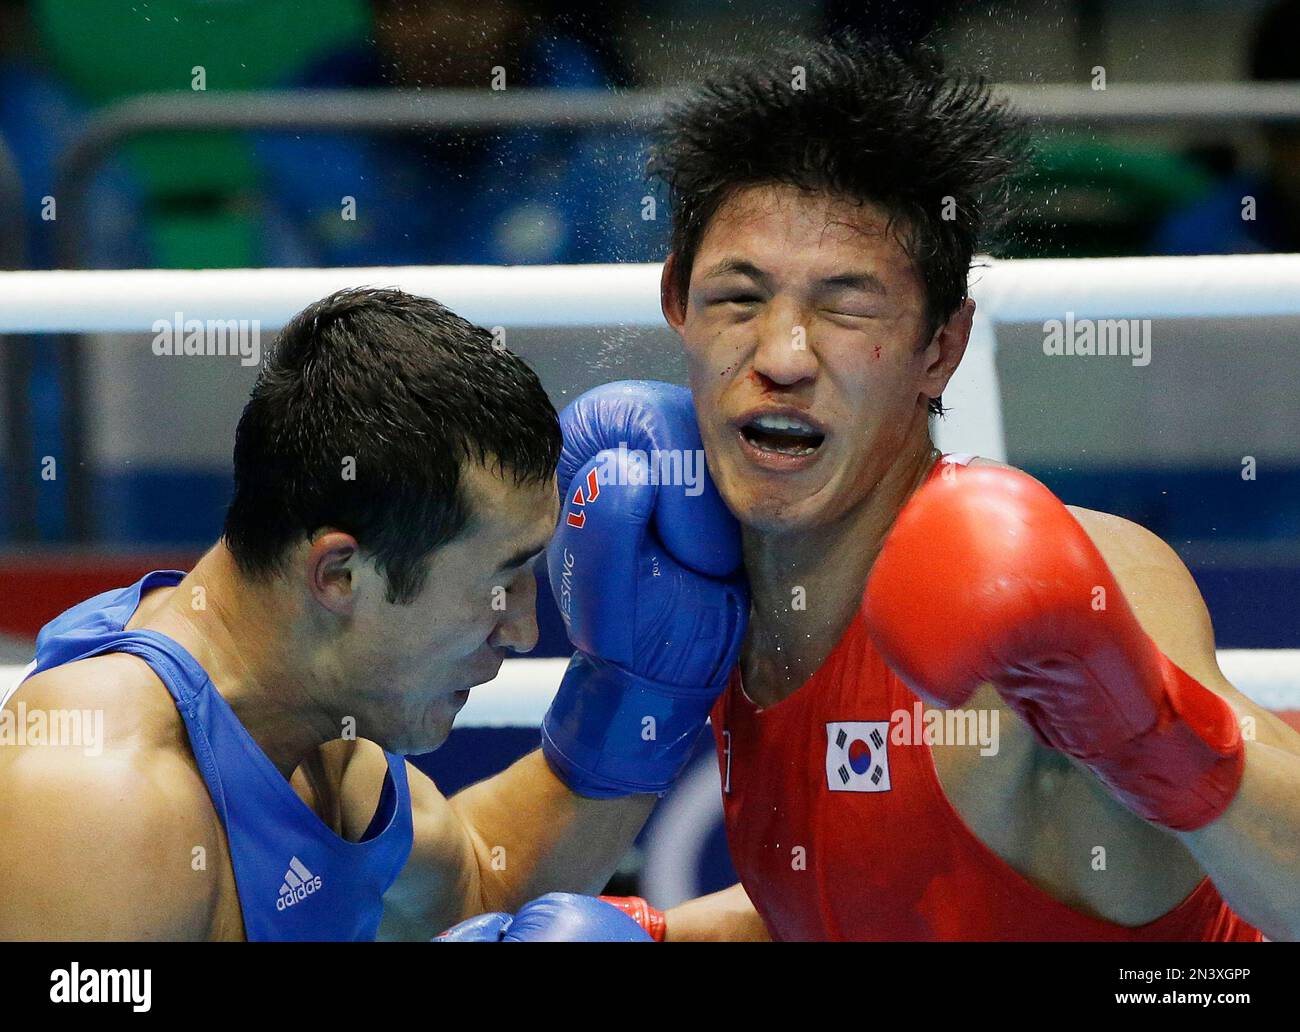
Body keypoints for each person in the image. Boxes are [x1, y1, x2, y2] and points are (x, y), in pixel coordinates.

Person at [469, 36, 1300, 942]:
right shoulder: (707, 595)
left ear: (940, 348)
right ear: (678, 302)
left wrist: (1153, 725)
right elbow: (872, 896)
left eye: (846, 307)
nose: (782, 357)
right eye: (739, 299)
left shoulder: (1082, 576)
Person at [0, 288, 745, 941]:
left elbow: (477, 886)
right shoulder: (102, 804)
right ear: (341, 574)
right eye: (502, 580)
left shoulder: (323, 731)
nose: (522, 629)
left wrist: (637, 694)